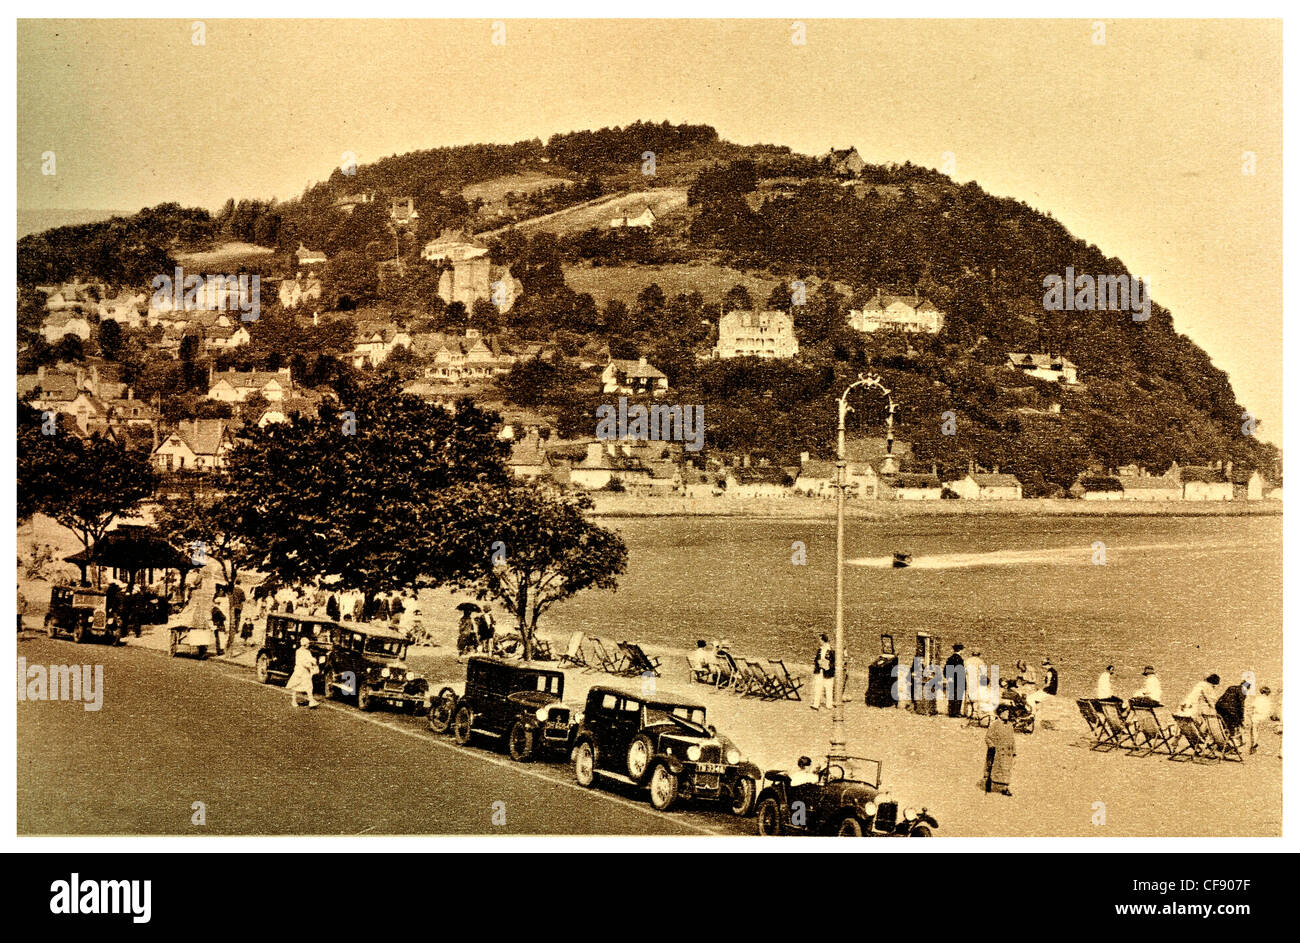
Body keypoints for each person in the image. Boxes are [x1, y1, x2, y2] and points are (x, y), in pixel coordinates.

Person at [984, 705, 1016, 796]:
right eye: (1005, 713)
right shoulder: (994, 724)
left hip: (1007, 752)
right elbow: (988, 737)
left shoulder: (1010, 725)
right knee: (993, 768)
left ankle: (1005, 788)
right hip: (997, 751)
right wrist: (991, 746)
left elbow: (1012, 739)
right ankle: (989, 781)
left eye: (1008, 713)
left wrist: (1014, 752)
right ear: (1000, 714)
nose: (1007, 714)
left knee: (1006, 770)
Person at [286, 637, 320, 708]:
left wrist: (313, 662)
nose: (308, 645)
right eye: (307, 643)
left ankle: (311, 701)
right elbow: (301, 662)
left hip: (306, 671)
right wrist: (309, 665)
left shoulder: (307, 652)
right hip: (300, 670)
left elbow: (310, 659)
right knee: (296, 685)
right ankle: (294, 701)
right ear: (304, 644)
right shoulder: (299, 651)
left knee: (309, 686)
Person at [811, 633, 835, 710]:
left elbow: (834, 662)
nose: (819, 641)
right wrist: (818, 662)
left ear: (823, 640)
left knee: (828, 688)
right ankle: (816, 704)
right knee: (817, 688)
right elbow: (815, 659)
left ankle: (829, 705)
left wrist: (828, 666)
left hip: (828, 673)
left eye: (820, 640)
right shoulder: (820, 649)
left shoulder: (831, 650)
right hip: (819, 672)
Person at [1249, 686, 1274, 755]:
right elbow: (1270, 711)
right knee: (1263, 733)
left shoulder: (1257, 699)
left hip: (1256, 717)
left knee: (1254, 731)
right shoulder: (1268, 701)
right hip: (1264, 717)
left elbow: (1252, 707)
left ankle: (1254, 744)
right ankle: (1262, 748)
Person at [945, 644, 966, 717]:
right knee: (958, 697)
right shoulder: (960, 659)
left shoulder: (950, 658)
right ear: (961, 650)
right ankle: (956, 712)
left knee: (951, 696)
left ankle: (951, 712)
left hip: (951, 681)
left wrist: (948, 677)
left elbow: (946, 670)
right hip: (959, 681)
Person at [964, 649, 986, 715]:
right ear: (979, 654)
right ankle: (975, 712)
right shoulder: (980, 661)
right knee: (976, 696)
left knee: (968, 695)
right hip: (976, 680)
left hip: (968, 680)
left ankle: (968, 712)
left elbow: (964, 671)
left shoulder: (967, 661)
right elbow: (983, 672)